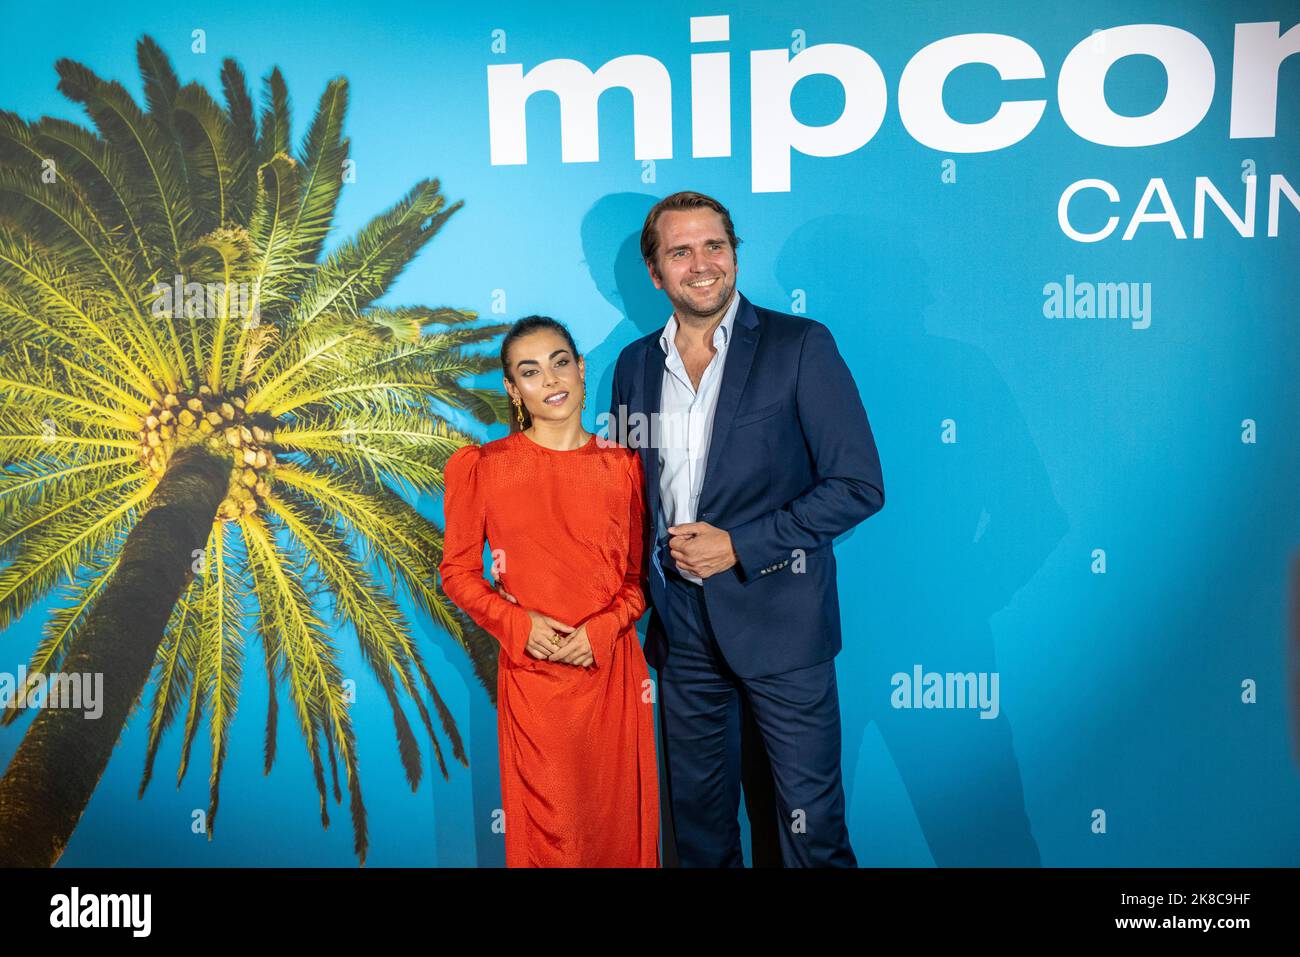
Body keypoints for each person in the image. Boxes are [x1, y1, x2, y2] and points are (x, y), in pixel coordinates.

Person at [605, 191, 885, 866]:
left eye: (715, 247)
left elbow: (858, 485)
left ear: (733, 254)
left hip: (782, 619)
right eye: (681, 251)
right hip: (682, 627)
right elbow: (627, 492)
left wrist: (741, 543)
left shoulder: (799, 346)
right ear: (655, 272)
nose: (702, 265)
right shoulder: (634, 366)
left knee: (809, 830)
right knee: (699, 830)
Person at [437, 316, 658, 867]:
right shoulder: (482, 468)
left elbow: (639, 580)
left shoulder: (625, 468)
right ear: (513, 390)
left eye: (561, 361)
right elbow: (458, 572)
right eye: (529, 372)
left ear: (581, 370)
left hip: (612, 676)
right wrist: (520, 626)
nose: (551, 379)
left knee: (620, 834)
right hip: (535, 683)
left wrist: (603, 630)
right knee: (550, 838)